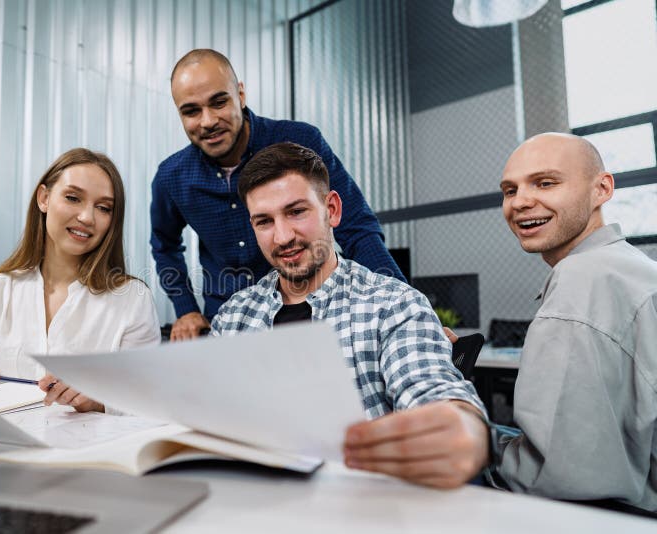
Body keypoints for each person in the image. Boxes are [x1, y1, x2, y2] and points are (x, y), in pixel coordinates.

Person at [211, 142, 490, 488]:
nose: (282, 237)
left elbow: (432, 389)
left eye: (297, 212)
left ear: (332, 210)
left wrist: (462, 427)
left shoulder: (393, 305)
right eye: (264, 221)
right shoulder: (233, 318)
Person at [151, 48, 405, 341]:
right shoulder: (171, 177)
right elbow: (164, 246)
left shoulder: (301, 142)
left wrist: (399, 304)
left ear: (241, 95)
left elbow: (356, 226)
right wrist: (185, 309)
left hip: (313, 313)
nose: (207, 121)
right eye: (191, 111)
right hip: (229, 325)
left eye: (219, 102)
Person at [0, 148, 161, 412]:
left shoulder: (131, 299)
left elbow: (146, 401)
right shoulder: (1, 288)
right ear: (44, 198)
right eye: (73, 198)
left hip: (91, 450)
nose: (87, 217)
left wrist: (96, 401)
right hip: (11, 445)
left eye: (103, 208)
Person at [496, 133, 657, 512]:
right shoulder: (633, 270)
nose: (520, 202)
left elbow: (559, 477)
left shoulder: (582, 281)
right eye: (508, 190)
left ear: (602, 189)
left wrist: (470, 438)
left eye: (545, 182)